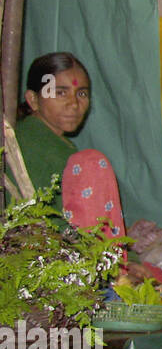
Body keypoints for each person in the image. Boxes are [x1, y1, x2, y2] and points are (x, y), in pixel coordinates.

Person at [7, 52, 126, 240]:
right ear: (33, 100)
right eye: (60, 92)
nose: (74, 104)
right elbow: (49, 221)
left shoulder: (56, 141)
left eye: (81, 93)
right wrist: (106, 256)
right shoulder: (29, 142)